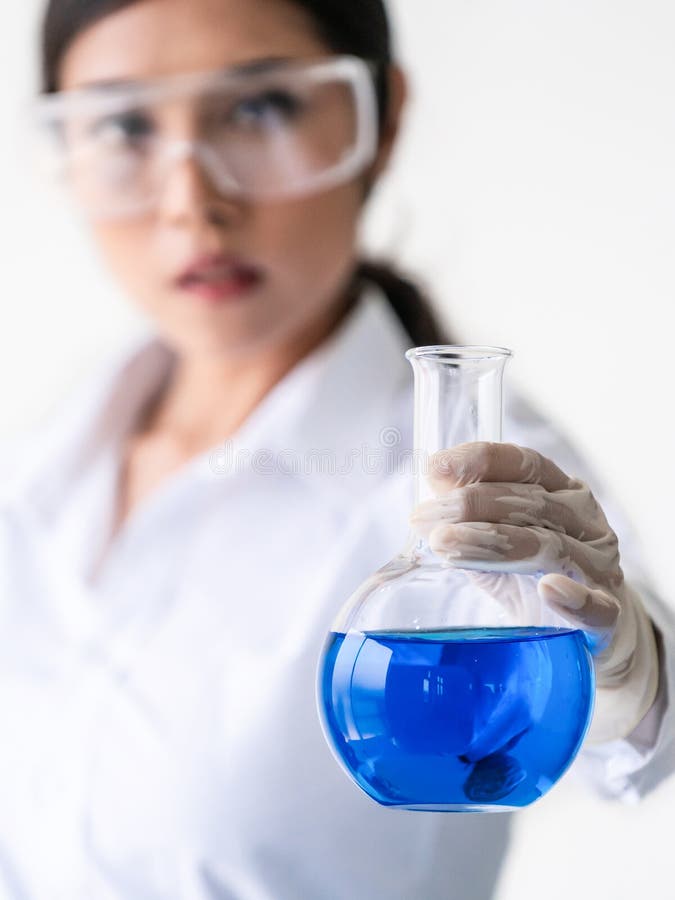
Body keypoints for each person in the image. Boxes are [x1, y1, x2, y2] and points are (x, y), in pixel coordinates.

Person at [2, 0, 673, 896]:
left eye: (259, 108)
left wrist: (631, 674)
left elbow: (639, 734)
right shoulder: (52, 459)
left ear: (381, 120)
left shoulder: (491, 488)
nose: (190, 201)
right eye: (124, 124)